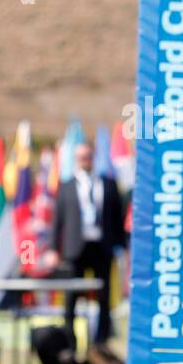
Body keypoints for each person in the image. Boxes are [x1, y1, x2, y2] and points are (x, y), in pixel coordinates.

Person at [50, 140, 125, 351]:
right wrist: (55, 250)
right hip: (75, 249)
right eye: (81, 156)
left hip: (102, 247)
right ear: (75, 159)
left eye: (88, 156)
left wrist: (121, 246)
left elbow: (117, 218)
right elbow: (58, 221)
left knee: (103, 296)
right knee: (71, 297)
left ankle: (100, 344)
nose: (85, 160)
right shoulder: (66, 186)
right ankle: (70, 344)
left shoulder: (108, 184)